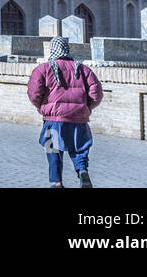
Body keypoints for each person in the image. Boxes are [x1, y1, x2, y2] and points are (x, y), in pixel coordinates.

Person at [26, 36, 103, 188]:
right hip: (78, 120)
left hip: (53, 120)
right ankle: (82, 170)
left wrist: (42, 107)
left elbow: (34, 93)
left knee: (52, 149)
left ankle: (57, 182)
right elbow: (96, 94)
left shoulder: (43, 69)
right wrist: (86, 108)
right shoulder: (83, 69)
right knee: (80, 148)